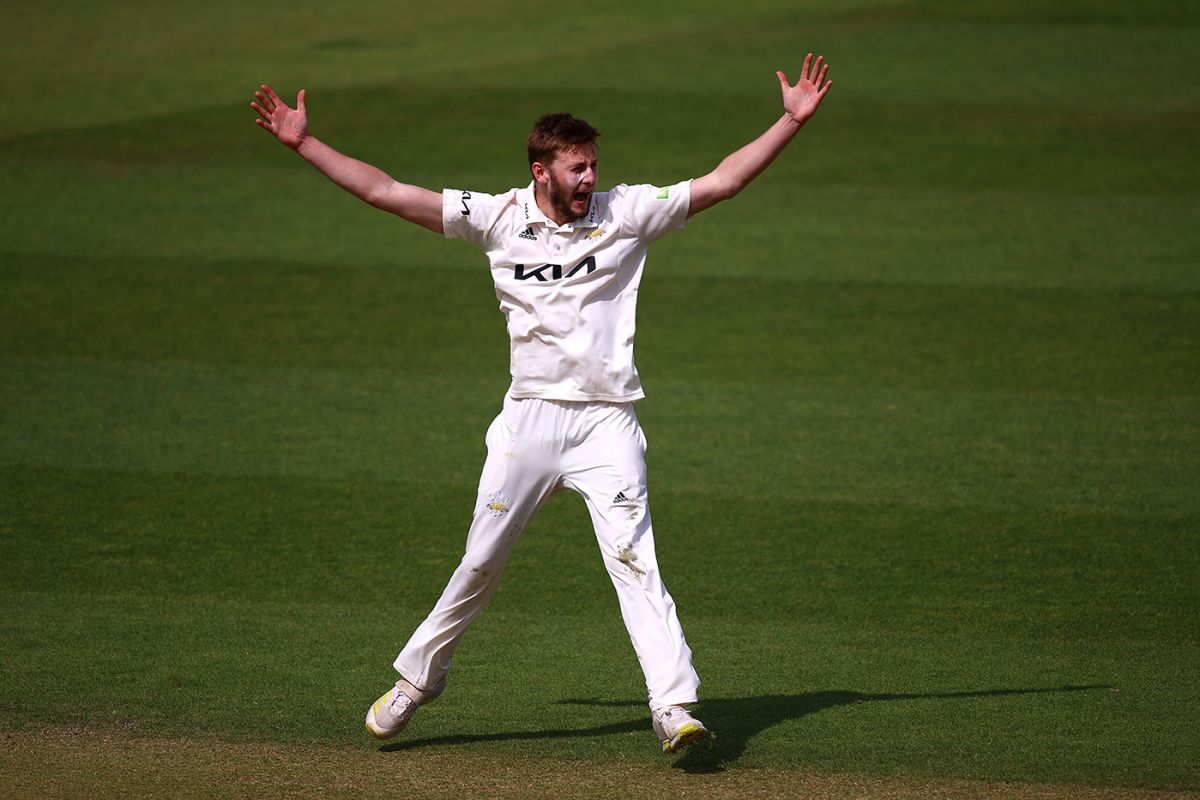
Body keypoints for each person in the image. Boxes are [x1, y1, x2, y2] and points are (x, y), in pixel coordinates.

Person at [250, 54, 831, 754]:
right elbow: (387, 191)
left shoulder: (625, 212)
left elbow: (723, 181)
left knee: (635, 560)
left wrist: (789, 122)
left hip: (606, 421)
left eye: (594, 166)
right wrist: (305, 143)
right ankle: (418, 681)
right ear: (541, 171)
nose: (590, 179)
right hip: (529, 420)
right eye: (577, 168)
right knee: (481, 561)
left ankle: (673, 707)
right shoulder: (498, 218)